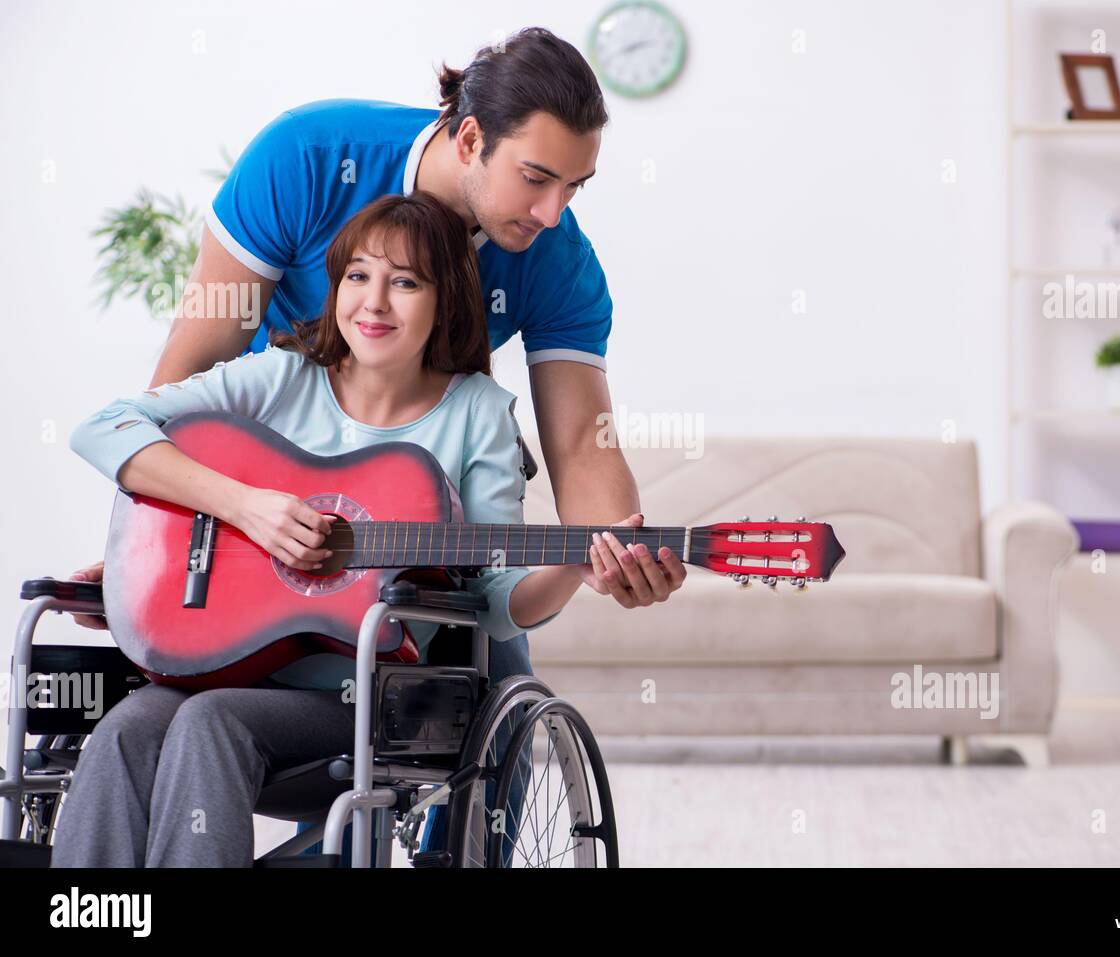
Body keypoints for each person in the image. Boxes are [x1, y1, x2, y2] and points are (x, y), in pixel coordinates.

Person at [52, 192, 668, 867]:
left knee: (209, 721)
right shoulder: (282, 378)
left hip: (364, 699)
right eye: (357, 275)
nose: (373, 301)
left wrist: (573, 568)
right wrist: (244, 505)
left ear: (447, 301)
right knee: (124, 730)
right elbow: (103, 426)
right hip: (232, 668)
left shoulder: (476, 413)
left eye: (404, 281)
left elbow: (495, 601)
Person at [68, 26, 686, 660]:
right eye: (535, 178)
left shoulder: (558, 259)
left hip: (422, 548)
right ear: (471, 138)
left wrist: (622, 551)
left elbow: (583, 440)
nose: (552, 212)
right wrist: (152, 550)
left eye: (575, 186)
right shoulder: (305, 157)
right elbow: (189, 373)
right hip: (255, 521)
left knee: (491, 675)